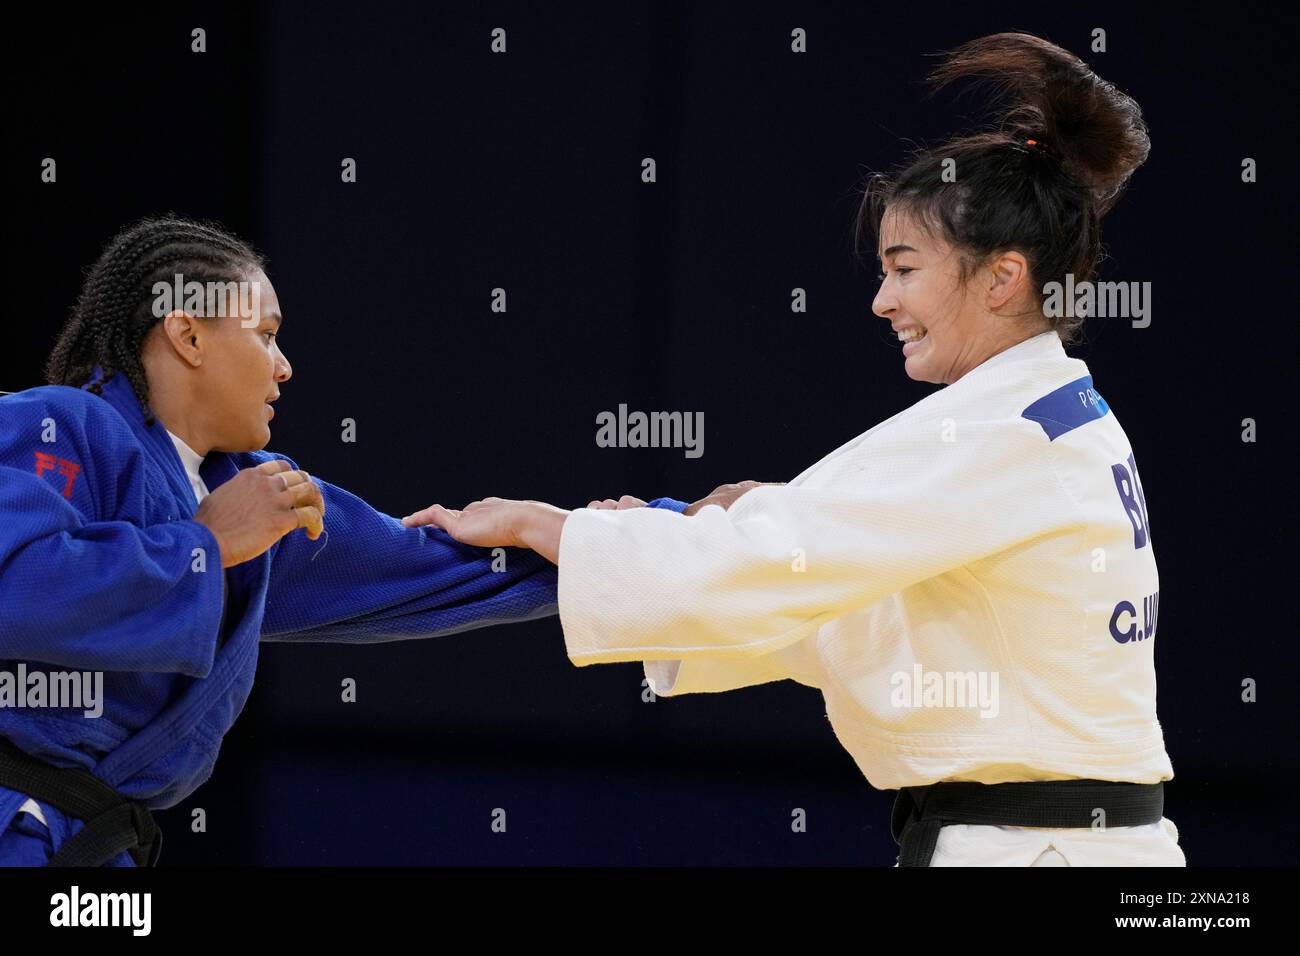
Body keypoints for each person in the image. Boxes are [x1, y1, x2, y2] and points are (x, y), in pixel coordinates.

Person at [402, 33, 1186, 866]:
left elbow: (782, 563)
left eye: (905, 268)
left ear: (1001, 278)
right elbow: (863, 596)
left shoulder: (1003, 432)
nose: (883, 301)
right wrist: (676, 537)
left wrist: (550, 526)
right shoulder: (1048, 411)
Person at [0, 215, 678, 866]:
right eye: (265, 334)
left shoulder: (258, 496)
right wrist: (205, 543)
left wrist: (662, 532)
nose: (285, 366)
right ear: (189, 336)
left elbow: (441, 574)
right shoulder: (60, 424)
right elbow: (15, 590)